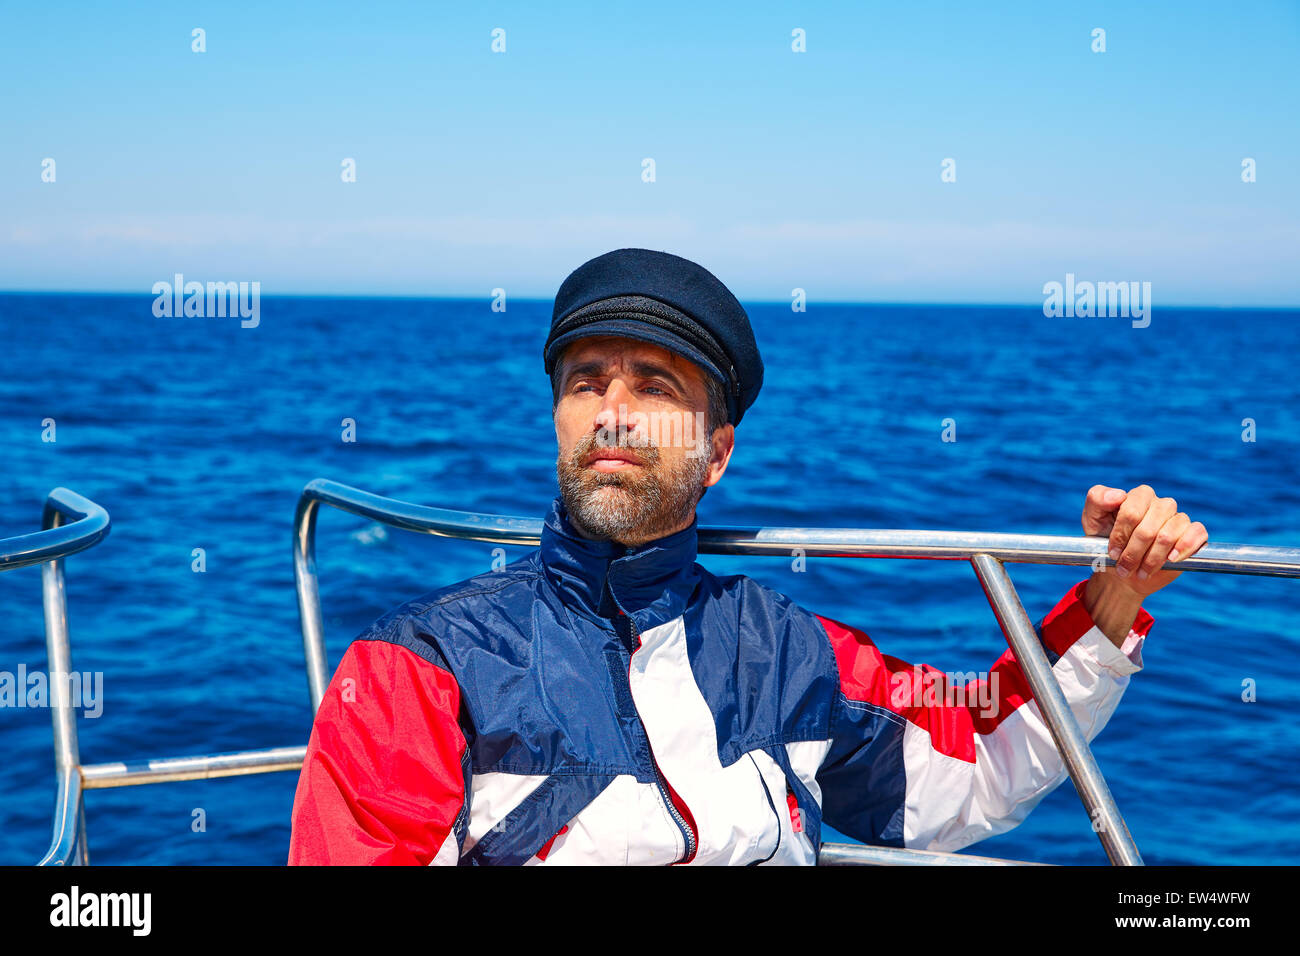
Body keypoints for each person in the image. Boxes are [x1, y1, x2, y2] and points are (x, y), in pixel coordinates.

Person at [287, 247, 1208, 865]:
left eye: (654, 387)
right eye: (586, 382)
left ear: (717, 451)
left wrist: (1116, 595)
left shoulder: (789, 655)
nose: (612, 411)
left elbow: (973, 762)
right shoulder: (419, 670)